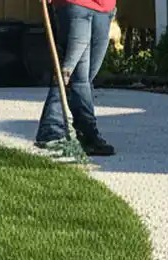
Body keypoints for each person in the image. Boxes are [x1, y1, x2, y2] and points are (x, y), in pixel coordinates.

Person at [35, 0, 117, 156]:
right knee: (76, 76)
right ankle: (54, 131)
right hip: (75, 5)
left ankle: (82, 134)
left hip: (105, 8)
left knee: (84, 79)